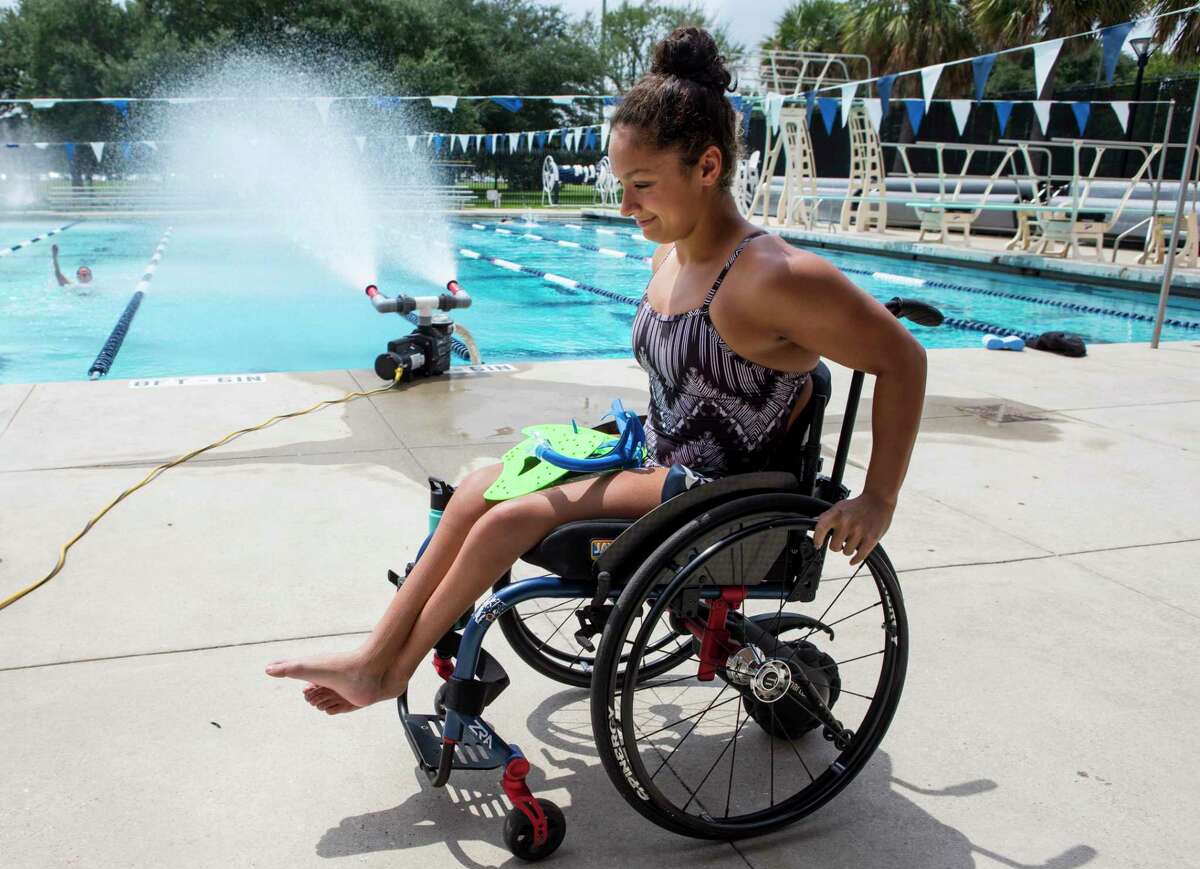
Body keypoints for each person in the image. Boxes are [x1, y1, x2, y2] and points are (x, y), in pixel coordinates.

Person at [265, 26, 927, 715]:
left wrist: (877, 498)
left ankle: (383, 671)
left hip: (717, 493)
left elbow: (902, 359)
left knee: (503, 522)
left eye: (642, 185)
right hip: (657, 459)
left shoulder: (773, 277)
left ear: (707, 167)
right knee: (475, 488)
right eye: (621, 184)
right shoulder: (669, 256)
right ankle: (379, 657)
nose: (625, 206)